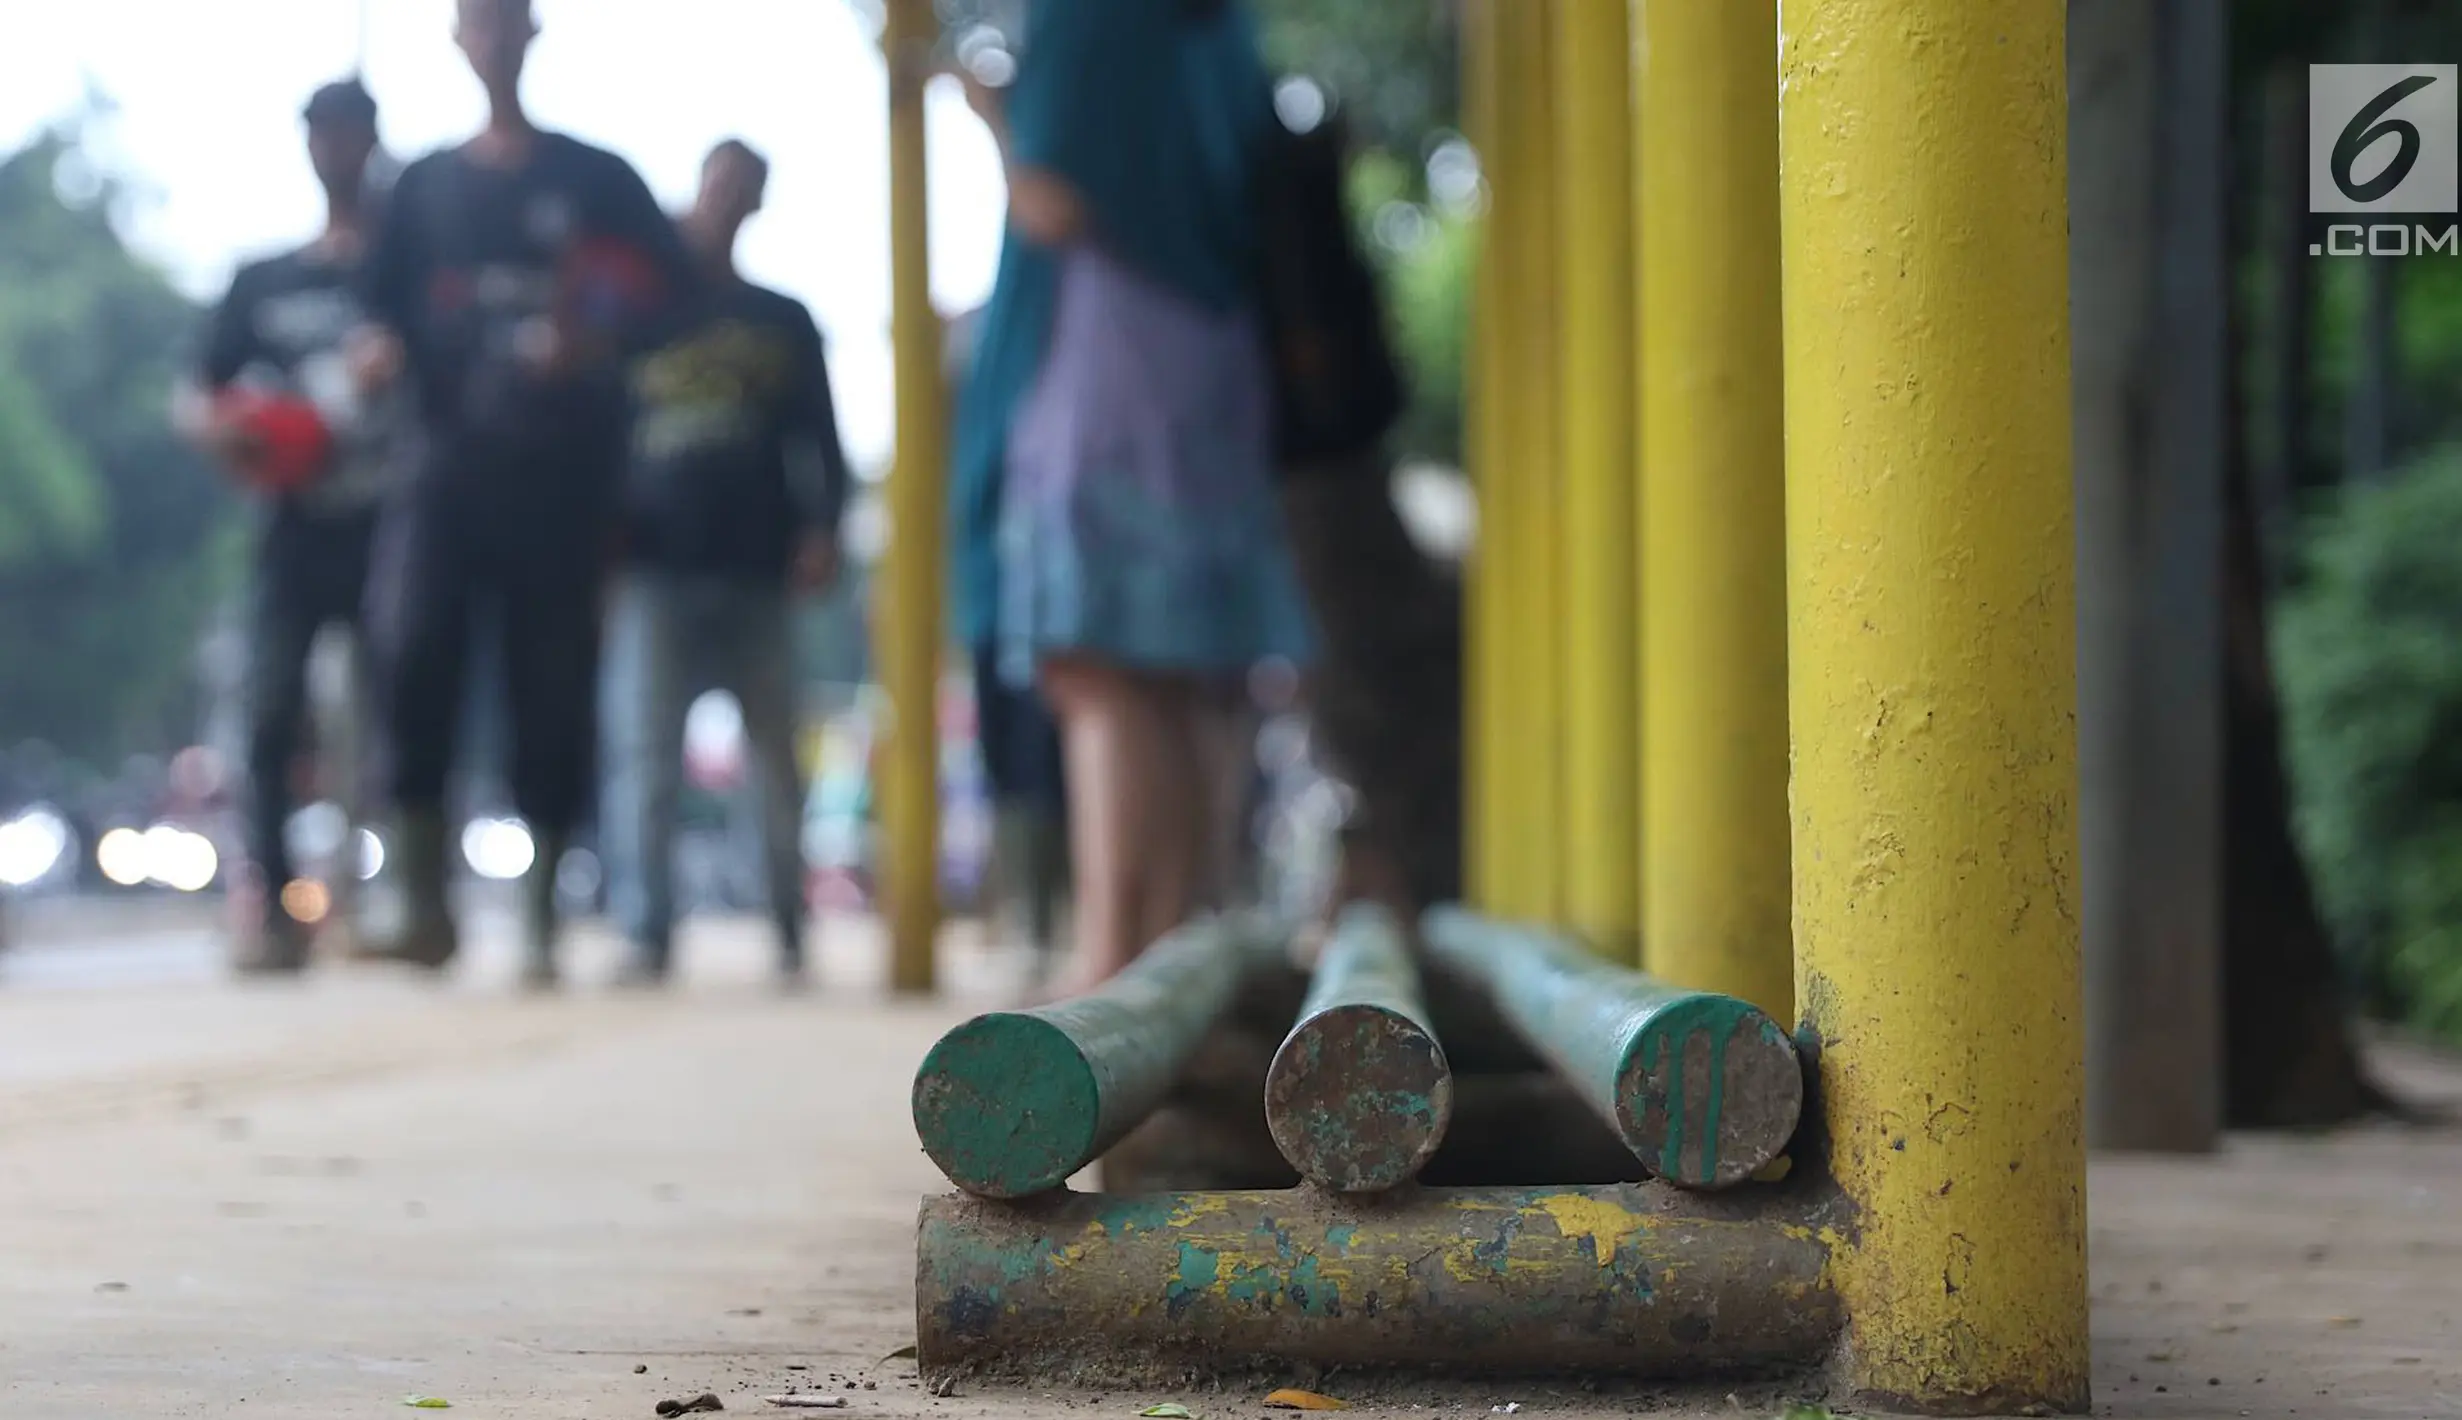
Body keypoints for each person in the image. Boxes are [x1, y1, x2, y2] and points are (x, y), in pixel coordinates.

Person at [953, 0, 1317, 993]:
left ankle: (1109, 964)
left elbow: (1051, 199)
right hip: (1213, 356)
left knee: (1100, 668)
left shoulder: (1081, 17)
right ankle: (1181, 970)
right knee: (1188, 676)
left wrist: (992, 115)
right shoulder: (1222, 28)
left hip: (1106, 356)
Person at [350, 0, 695, 986]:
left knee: (550, 682)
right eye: (476, 19)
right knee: (410, 649)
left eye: (508, 17)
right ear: (458, 40)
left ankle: (541, 910)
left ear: (532, 34)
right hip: (441, 468)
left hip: (561, 478)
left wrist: (593, 337)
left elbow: (669, 298)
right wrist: (372, 354)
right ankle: (420, 898)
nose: (493, 36)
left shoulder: (595, 178)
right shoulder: (418, 188)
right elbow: (375, 314)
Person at [599, 140, 849, 988]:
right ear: (696, 191)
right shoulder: (635, 317)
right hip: (654, 569)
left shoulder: (781, 319)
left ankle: (789, 925)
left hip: (757, 566)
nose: (726, 200)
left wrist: (825, 527)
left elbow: (822, 437)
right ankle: (645, 932)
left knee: (776, 761)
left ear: (757, 205)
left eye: (744, 189)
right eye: (718, 183)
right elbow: (596, 440)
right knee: (644, 756)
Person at [177, 79, 400, 975]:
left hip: (388, 526)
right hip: (290, 530)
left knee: (390, 718)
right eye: (324, 133)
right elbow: (195, 391)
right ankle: (272, 911)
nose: (337, 148)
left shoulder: (400, 269)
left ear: (373, 142)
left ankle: (385, 902)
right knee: (269, 713)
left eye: (352, 133)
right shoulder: (265, 278)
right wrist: (221, 430)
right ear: (307, 145)